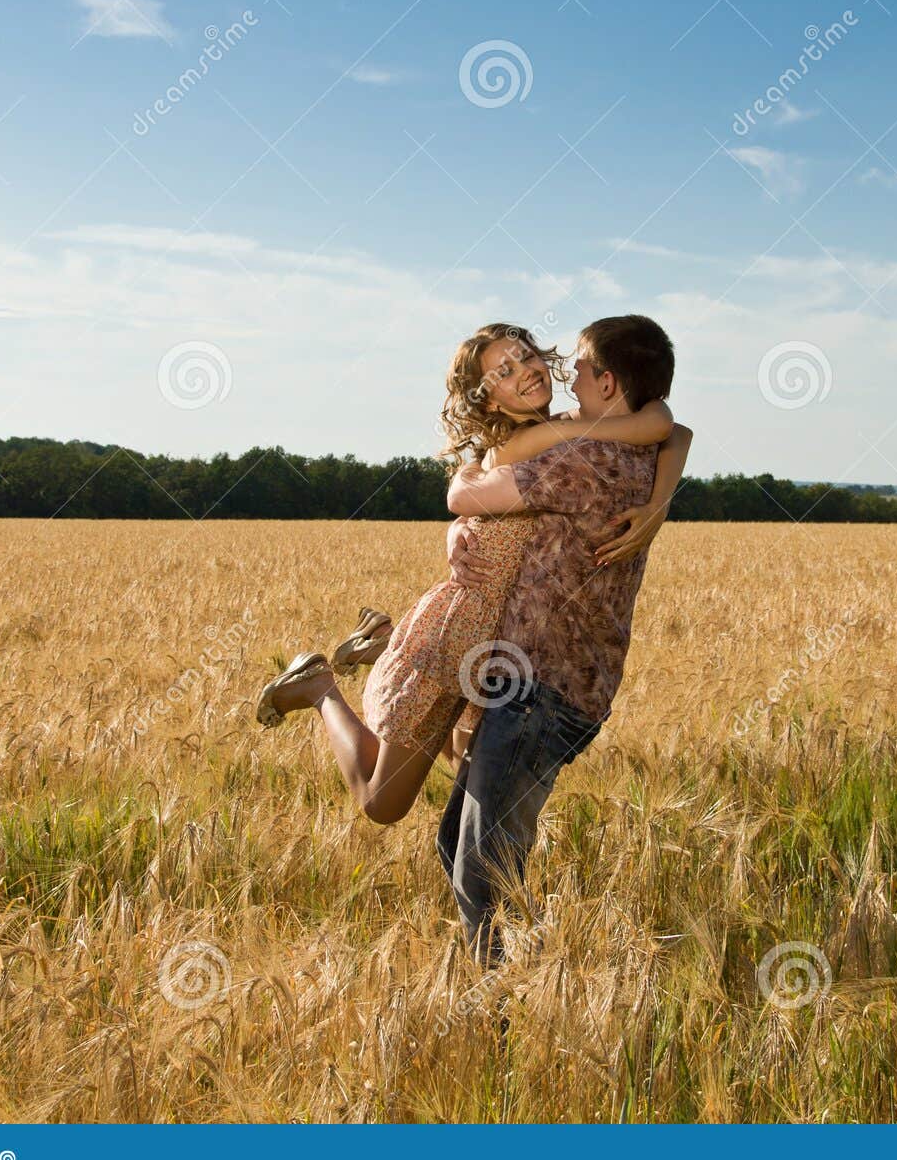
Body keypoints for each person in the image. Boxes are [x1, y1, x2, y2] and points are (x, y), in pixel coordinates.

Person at [252, 321, 689, 833]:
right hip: (461, 632)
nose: (524, 371)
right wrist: (463, 519)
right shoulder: (516, 450)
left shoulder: (576, 429)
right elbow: (461, 495)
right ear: (490, 402)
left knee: (471, 772)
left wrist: (658, 504)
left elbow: (667, 424)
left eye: (527, 357)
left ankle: (383, 643)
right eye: (503, 372)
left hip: (505, 646)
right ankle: (320, 686)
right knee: (383, 803)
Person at [438, 313, 687, 963]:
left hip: (542, 691)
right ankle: (524, 981)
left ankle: (512, 1010)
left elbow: (466, 496)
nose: (565, 374)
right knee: (457, 845)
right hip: (543, 685)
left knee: (484, 873)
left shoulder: (584, 457)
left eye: (579, 366)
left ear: (606, 380)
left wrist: (463, 502)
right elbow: (671, 425)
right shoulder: (624, 445)